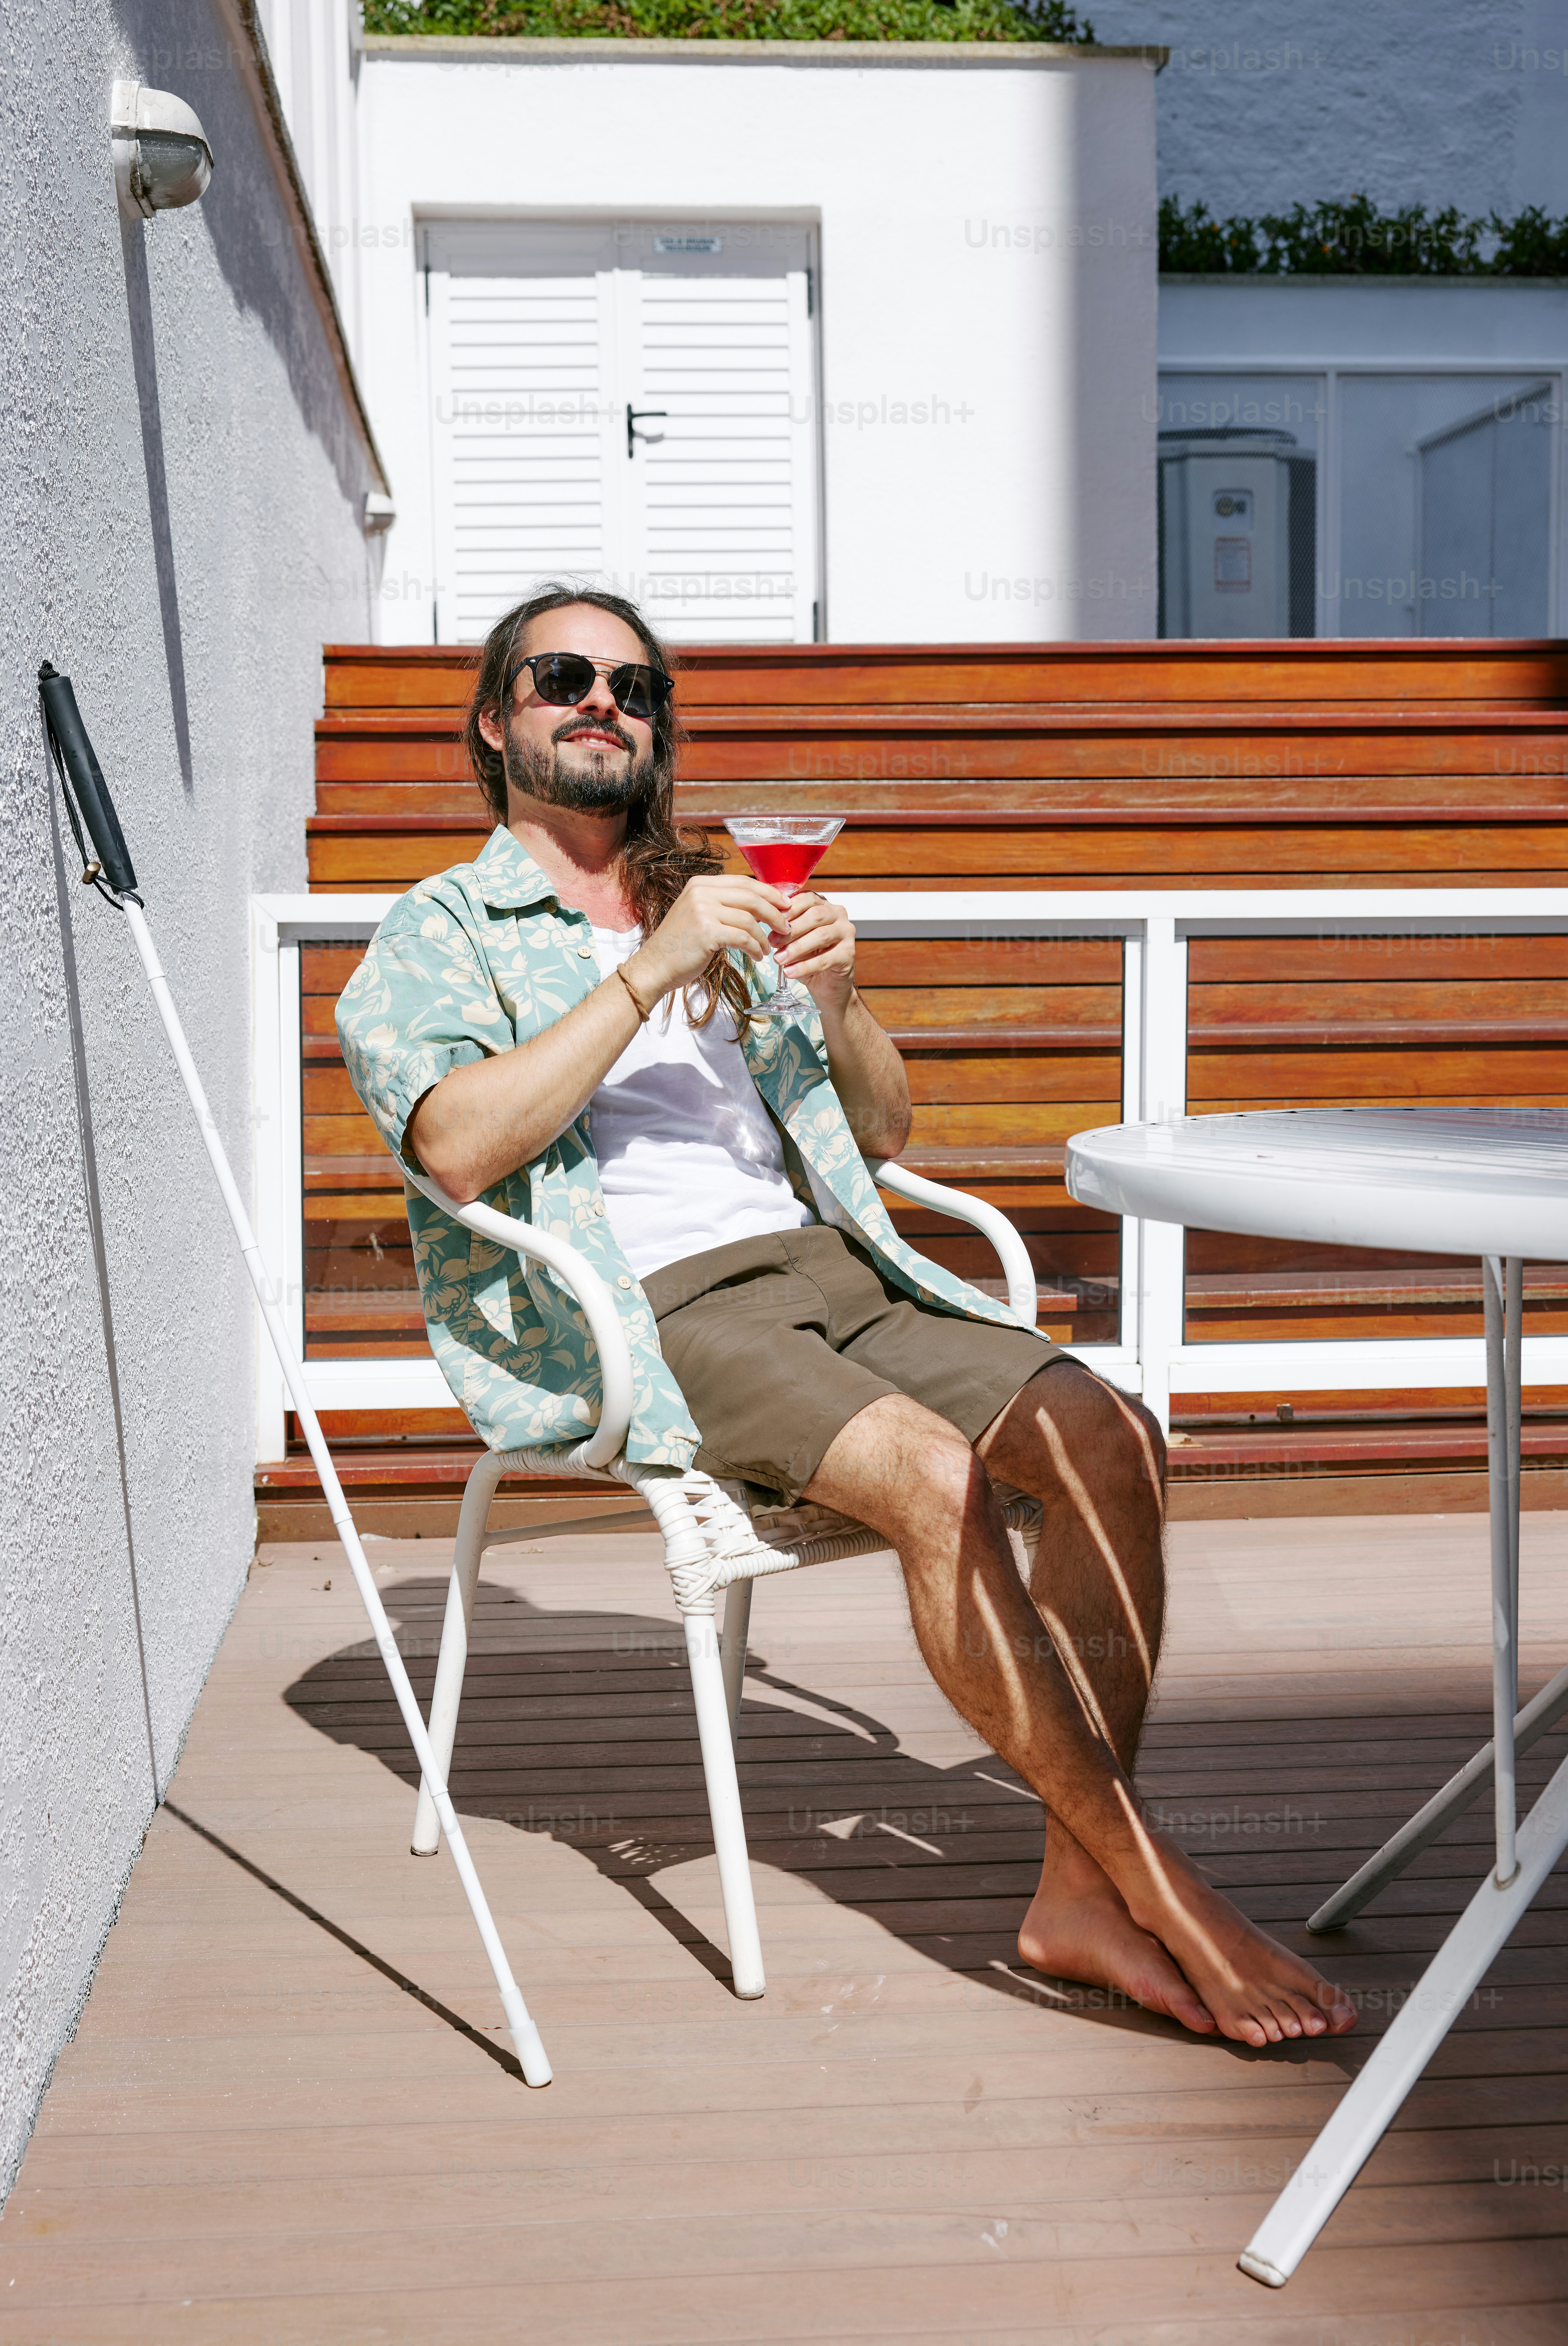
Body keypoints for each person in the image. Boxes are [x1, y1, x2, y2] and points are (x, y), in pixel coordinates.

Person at [336, 582, 1357, 2050]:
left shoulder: (724, 893)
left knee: (1107, 1436)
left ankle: (1073, 1891)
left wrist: (846, 997)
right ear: (497, 722)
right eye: (564, 676)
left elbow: (875, 1132)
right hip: (654, 1309)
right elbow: (456, 1146)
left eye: (636, 687)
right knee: (931, 1478)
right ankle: (1161, 1886)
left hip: (836, 1266)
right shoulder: (445, 928)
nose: (604, 702)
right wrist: (648, 970)